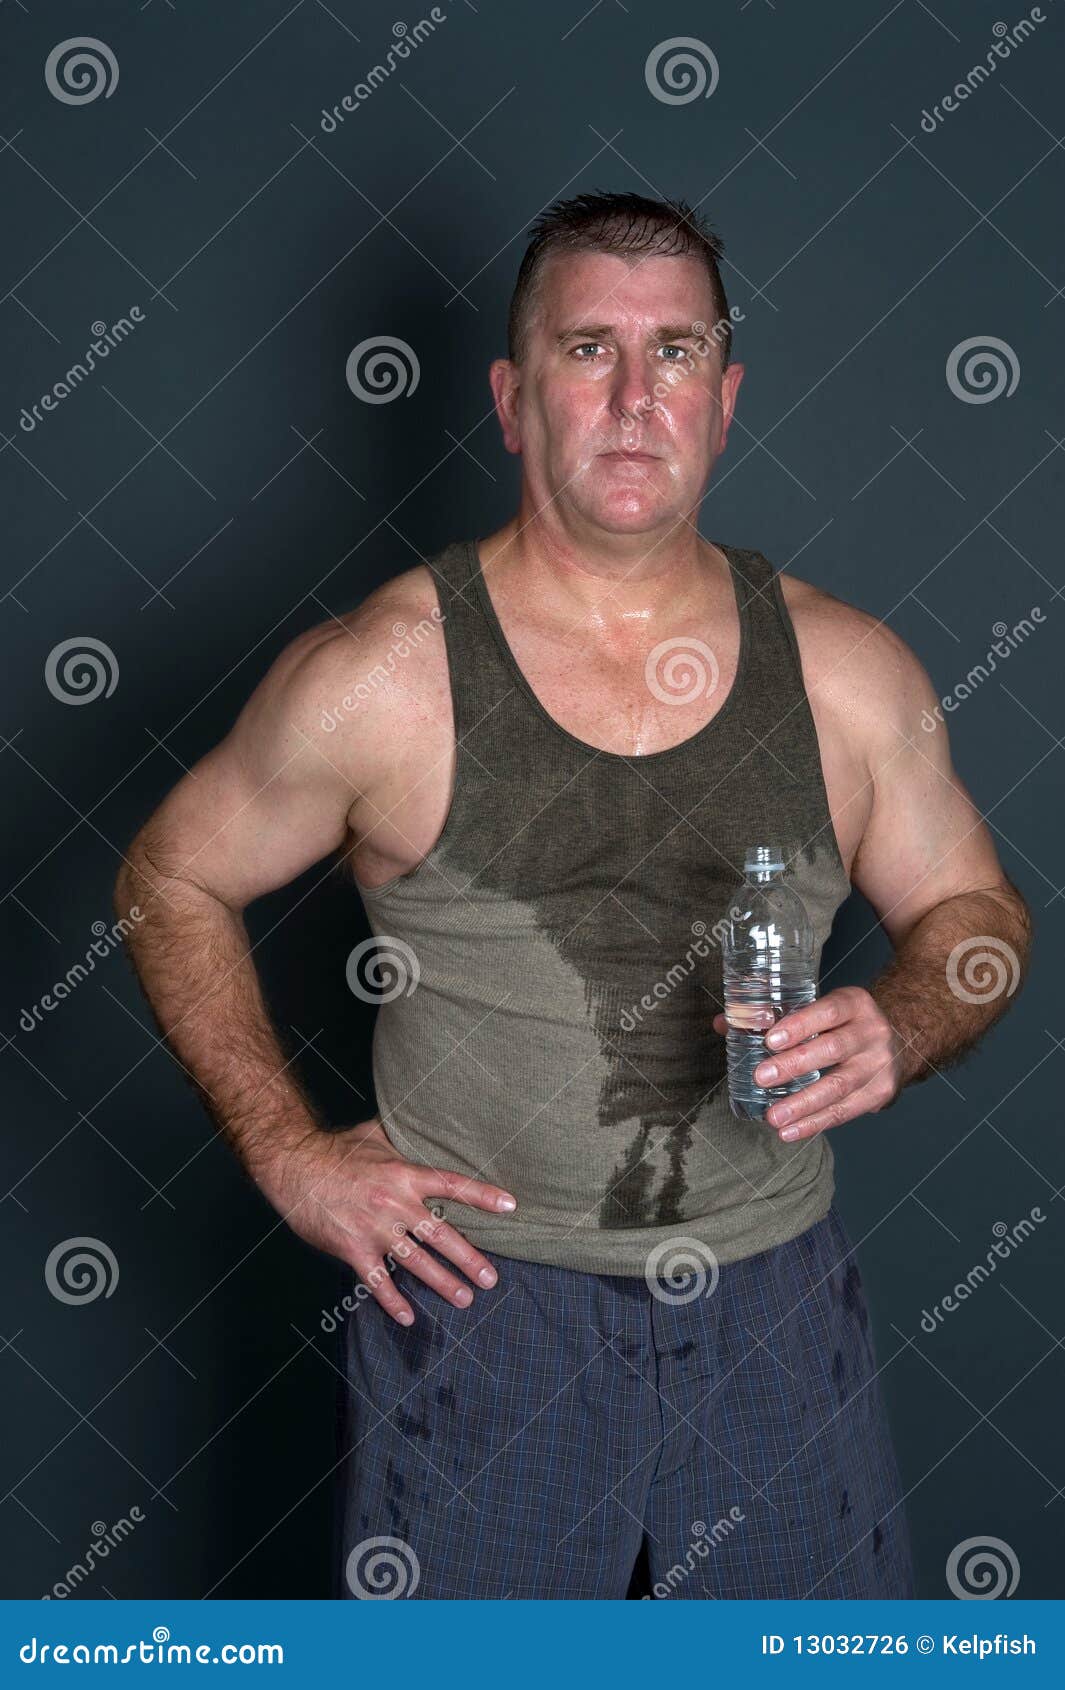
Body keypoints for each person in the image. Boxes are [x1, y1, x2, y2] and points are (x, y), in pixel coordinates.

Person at [114, 190, 1032, 1600]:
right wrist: (288, 1150)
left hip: (775, 1312)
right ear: (510, 395)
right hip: (483, 1320)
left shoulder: (848, 672)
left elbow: (978, 918)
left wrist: (903, 1022)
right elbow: (170, 876)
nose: (632, 394)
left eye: (675, 352)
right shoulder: (386, 673)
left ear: (723, 399)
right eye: (587, 347)